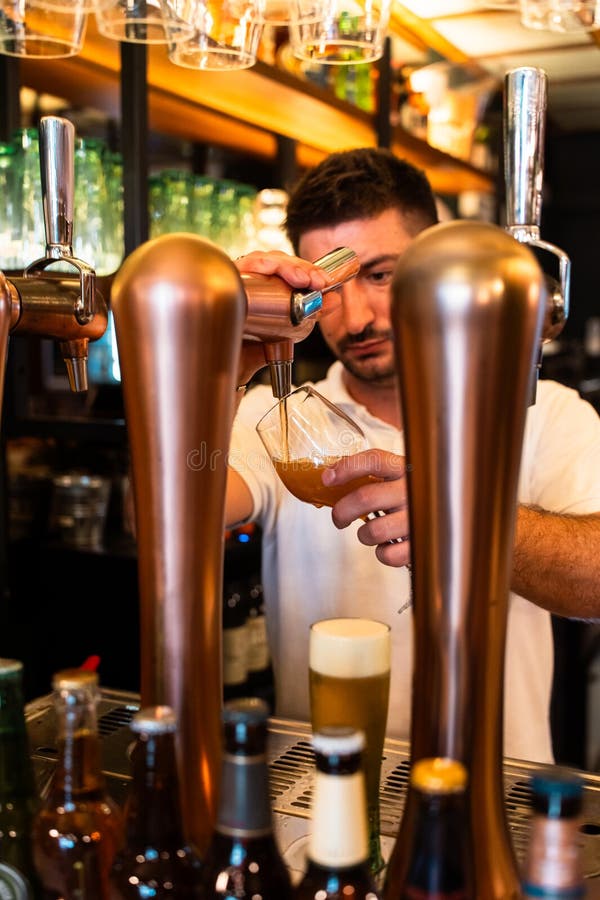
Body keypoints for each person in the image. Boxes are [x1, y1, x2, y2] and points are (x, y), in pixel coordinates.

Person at [227, 148, 600, 765]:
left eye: (380, 275)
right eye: (329, 289)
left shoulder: (543, 410)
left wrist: (467, 525)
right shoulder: (284, 418)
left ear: (436, 266)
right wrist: (219, 367)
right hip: (325, 789)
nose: (357, 319)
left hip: (494, 787)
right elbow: (154, 519)